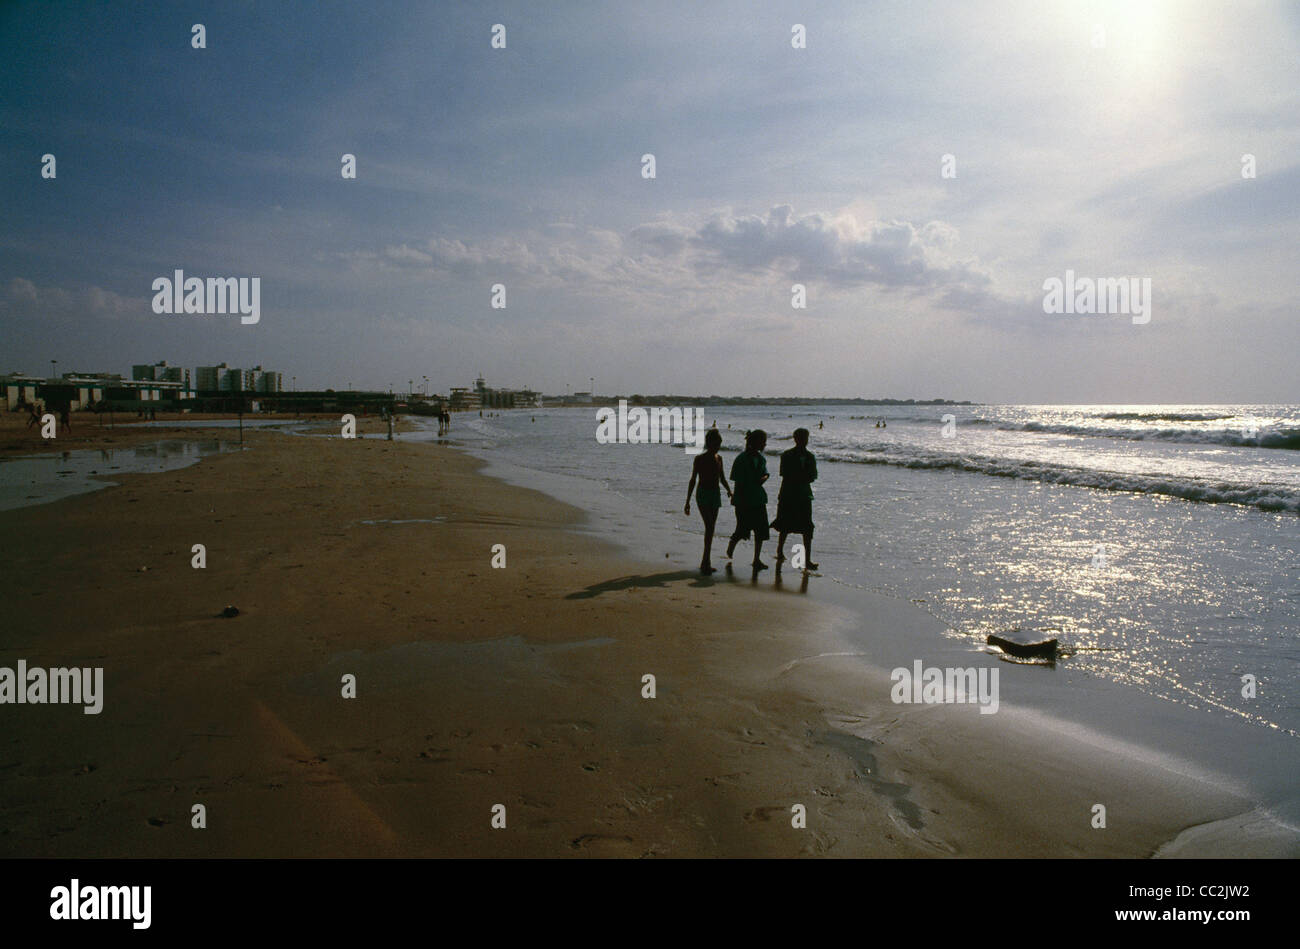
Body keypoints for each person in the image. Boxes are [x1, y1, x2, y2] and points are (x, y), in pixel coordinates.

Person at [685, 429, 732, 574]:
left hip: (715, 494)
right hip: (703, 494)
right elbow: (693, 479)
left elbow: (722, 478)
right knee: (710, 526)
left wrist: (729, 490)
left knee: (710, 529)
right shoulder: (699, 459)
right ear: (708, 443)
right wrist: (687, 501)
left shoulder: (719, 458)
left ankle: (706, 561)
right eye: (714, 443)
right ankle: (705, 561)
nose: (717, 446)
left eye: (719, 444)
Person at [772, 428, 819, 570]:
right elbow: (784, 473)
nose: (804, 441)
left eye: (805, 438)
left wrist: (800, 475)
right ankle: (779, 550)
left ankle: (807, 559)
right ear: (795, 439)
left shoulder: (810, 456)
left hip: (804, 494)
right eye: (801, 438)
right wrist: (802, 475)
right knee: (784, 525)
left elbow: (813, 476)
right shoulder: (787, 455)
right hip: (789, 493)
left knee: (807, 527)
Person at [725, 429, 771, 570]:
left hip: (758, 499)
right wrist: (737, 499)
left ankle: (756, 559)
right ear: (754, 442)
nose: (764, 444)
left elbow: (765, 473)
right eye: (762, 441)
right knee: (742, 530)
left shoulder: (761, 459)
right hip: (744, 500)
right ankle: (732, 542)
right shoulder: (741, 459)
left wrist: (765, 477)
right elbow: (737, 481)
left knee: (761, 531)